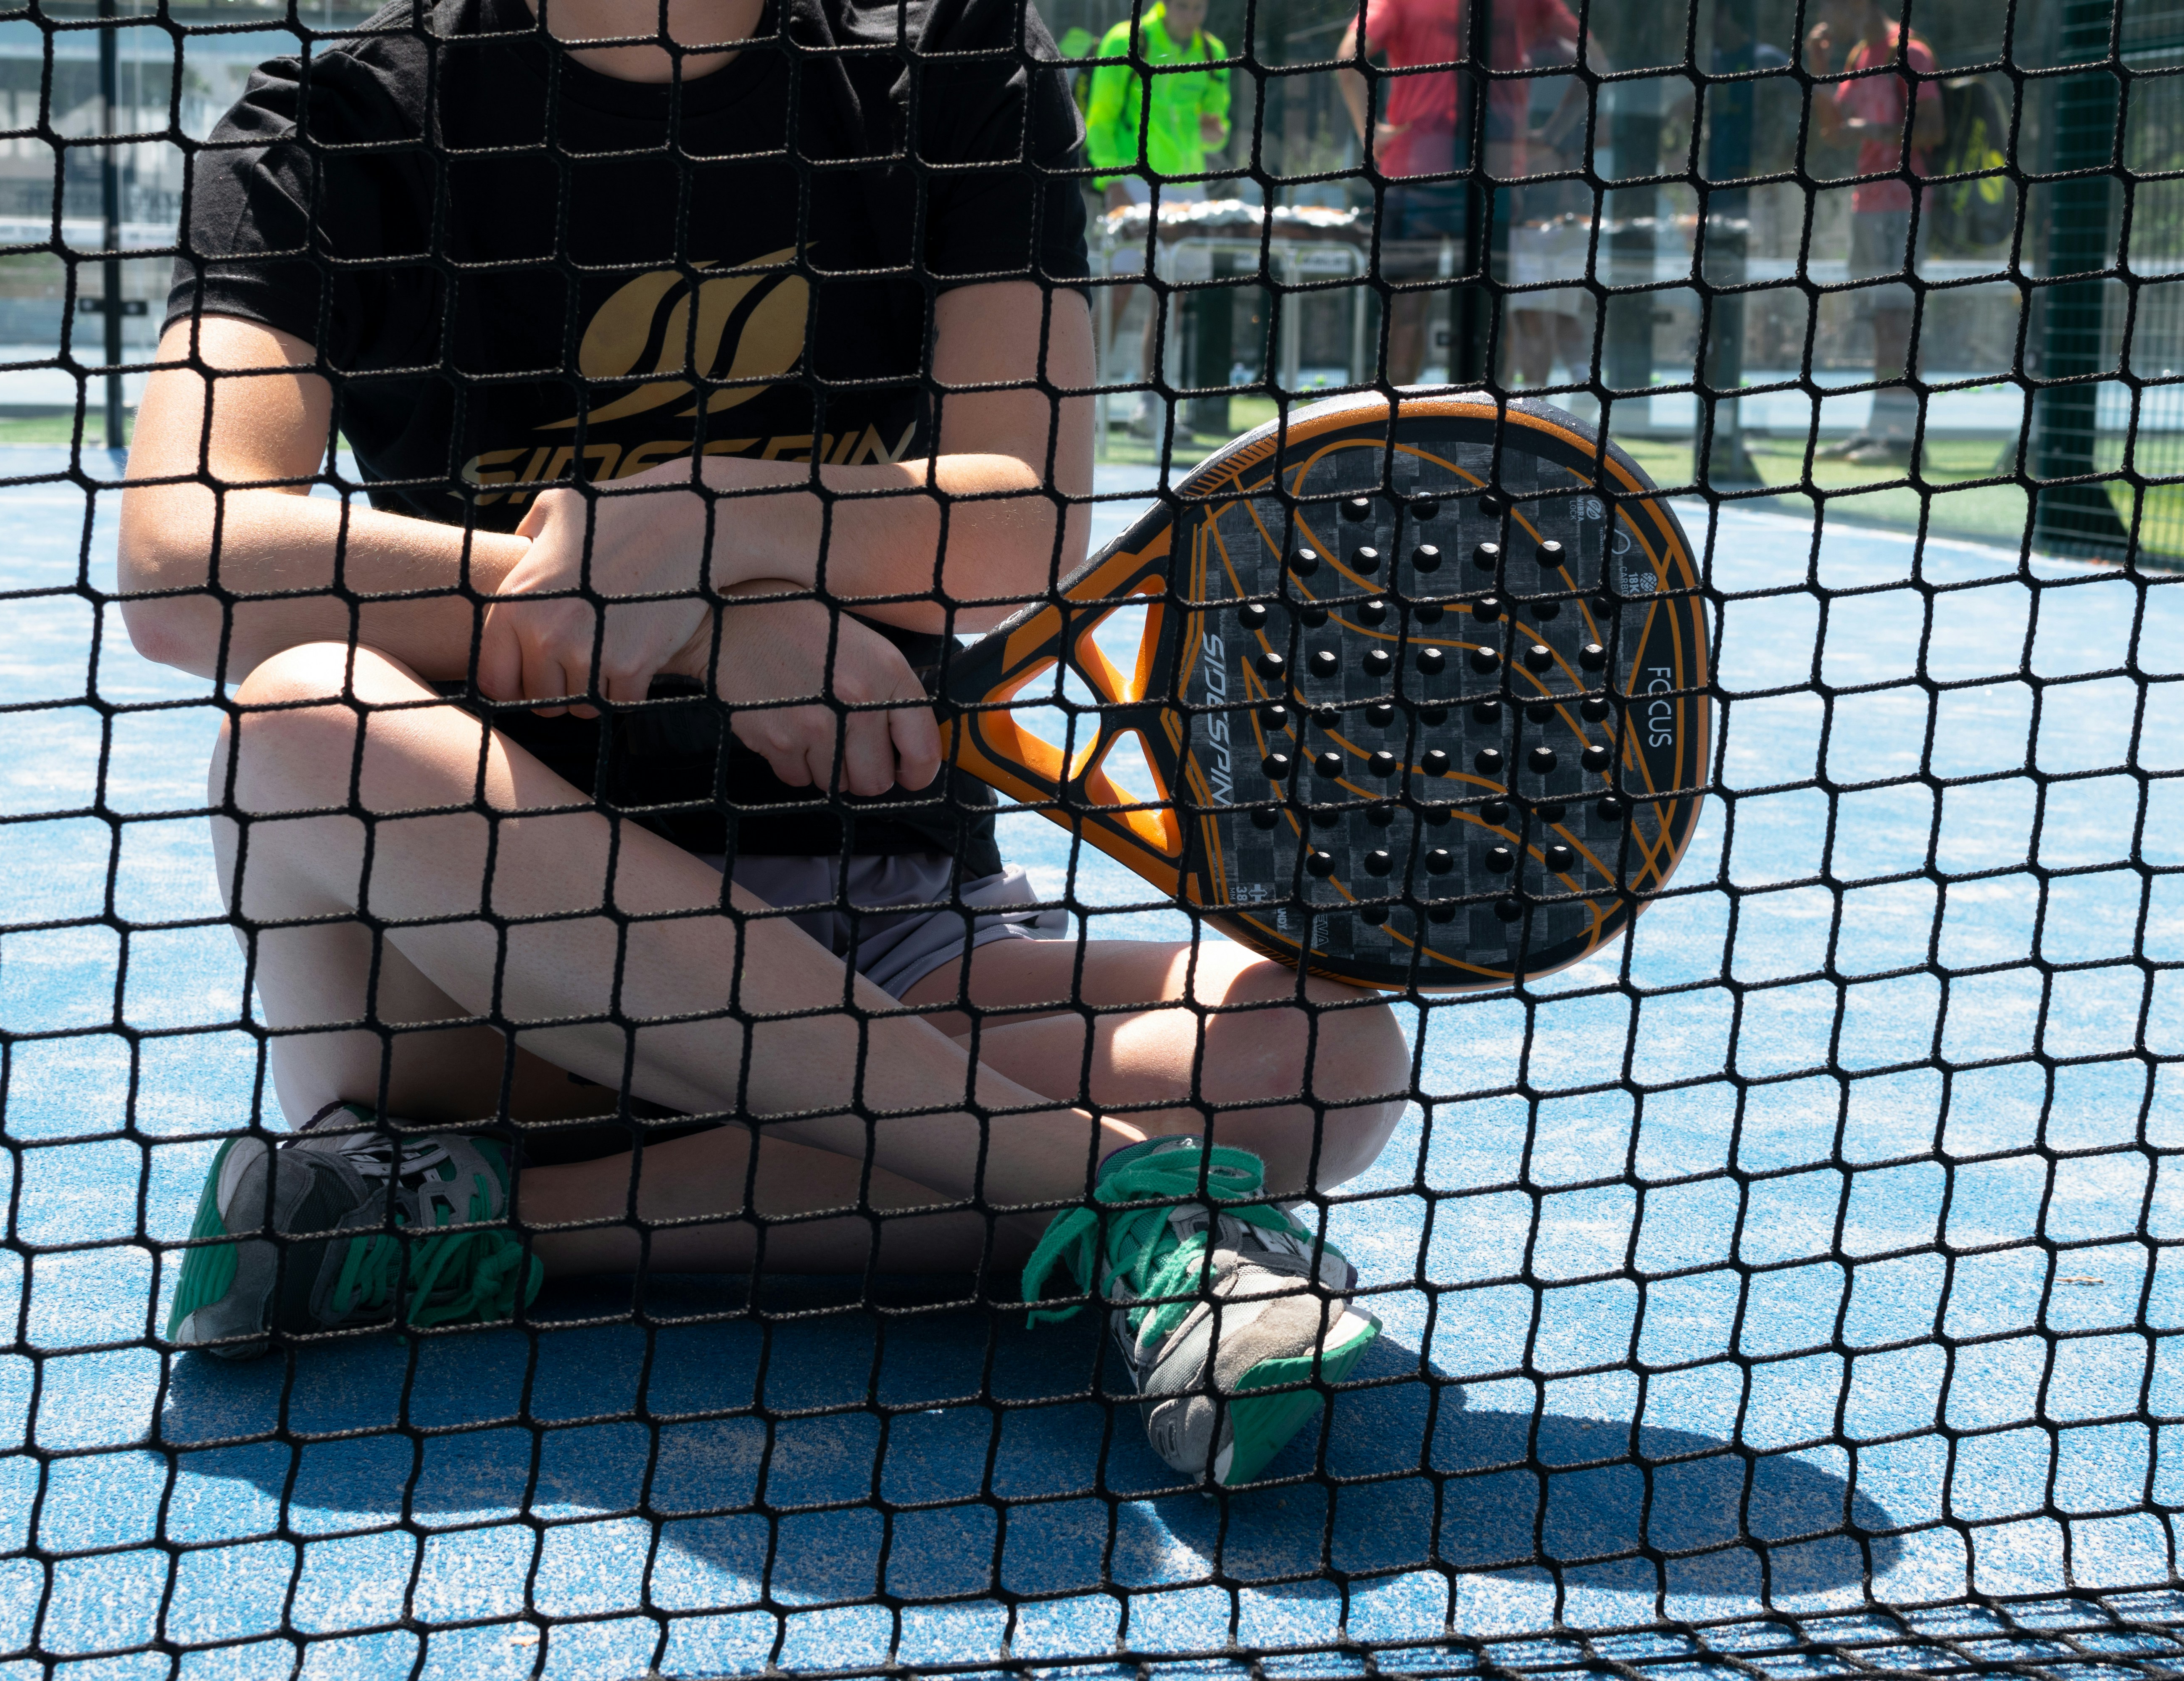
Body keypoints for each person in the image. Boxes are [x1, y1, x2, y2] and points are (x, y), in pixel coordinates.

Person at [119, 0, 1407, 1489]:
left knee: (1324, 1054)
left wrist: (715, 517)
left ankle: (482, 1222)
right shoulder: (334, 122)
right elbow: (184, 556)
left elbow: (1017, 518)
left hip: (884, 933)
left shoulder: (954, 61)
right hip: (483, 971)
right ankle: (1122, 1192)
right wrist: (694, 626)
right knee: (305, 723)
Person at [1334, 0, 1562, 387]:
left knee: (1408, 310)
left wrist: (1369, 130)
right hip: (1484, 177)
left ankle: (1398, 424)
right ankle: (1489, 425)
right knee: (1489, 310)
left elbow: (1347, 59)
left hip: (1419, 175)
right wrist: (1550, 137)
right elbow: (1594, 60)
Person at [1083, 0, 1232, 434]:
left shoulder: (1213, 50)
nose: (1192, 13)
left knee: (1173, 296)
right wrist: (1111, 181)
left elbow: (1216, 121)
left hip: (1188, 188)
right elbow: (1100, 118)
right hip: (1131, 180)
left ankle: (1152, 408)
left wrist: (1214, 129)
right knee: (1120, 290)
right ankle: (1082, 399)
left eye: (1200, 6)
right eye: (1185, 5)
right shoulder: (1127, 40)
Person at [1806, 0, 1943, 467]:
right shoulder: (1858, 57)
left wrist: (1872, 129)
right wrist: (1819, 69)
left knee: (1899, 323)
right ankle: (1880, 427)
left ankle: (1904, 437)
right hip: (1867, 206)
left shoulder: (1912, 54)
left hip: (1903, 204)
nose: (1827, 12)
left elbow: (1932, 131)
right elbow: (1832, 131)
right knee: (1881, 324)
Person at [1503, 0, 1596, 397]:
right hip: (1539, 210)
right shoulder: (1511, 49)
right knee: (1547, 314)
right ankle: (1552, 396)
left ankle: (1543, 401)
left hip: (1551, 212)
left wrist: (1547, 138)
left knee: (1543, 314)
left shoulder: (1554, 52)